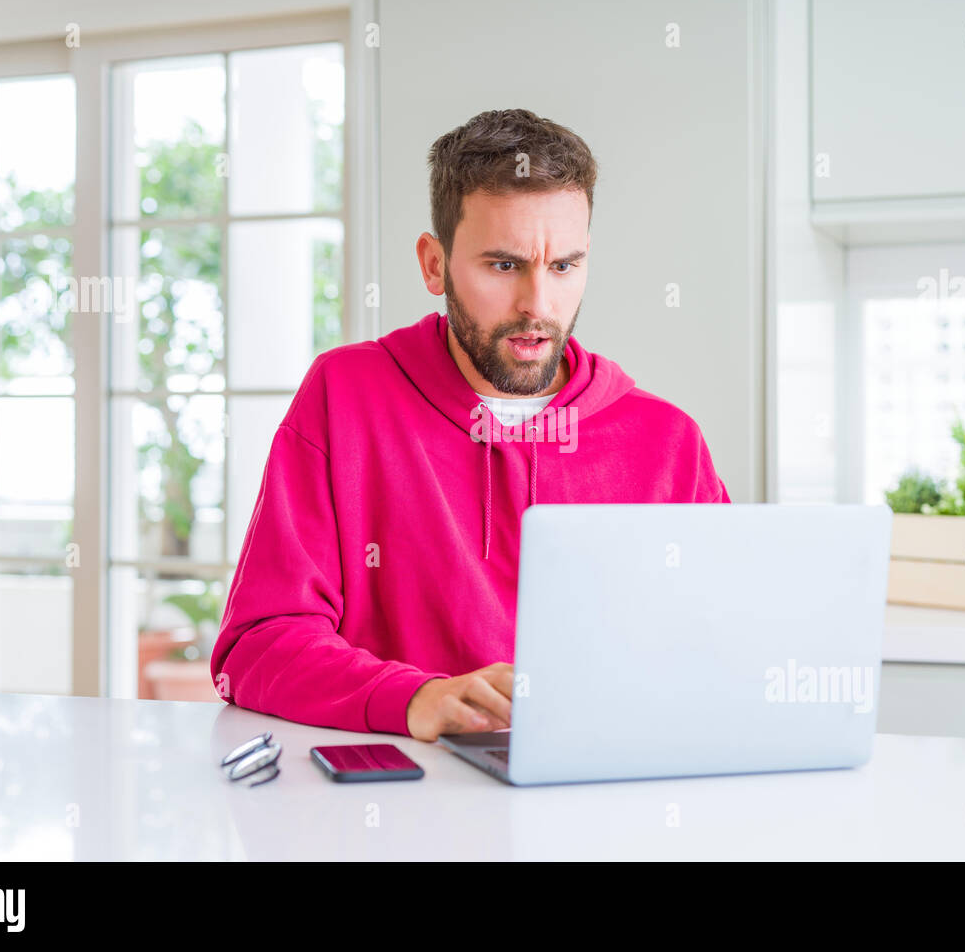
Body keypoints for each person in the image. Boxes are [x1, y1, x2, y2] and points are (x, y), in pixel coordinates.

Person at [211, 109, 730, 741]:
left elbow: (718, 652)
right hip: (397, 809)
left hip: (604, 807)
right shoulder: (345, 397)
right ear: (434, 265)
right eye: (504, 266)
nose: (537, 305)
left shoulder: (667, 441)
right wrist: (415, 698)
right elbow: (257, 647)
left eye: (564, 266)